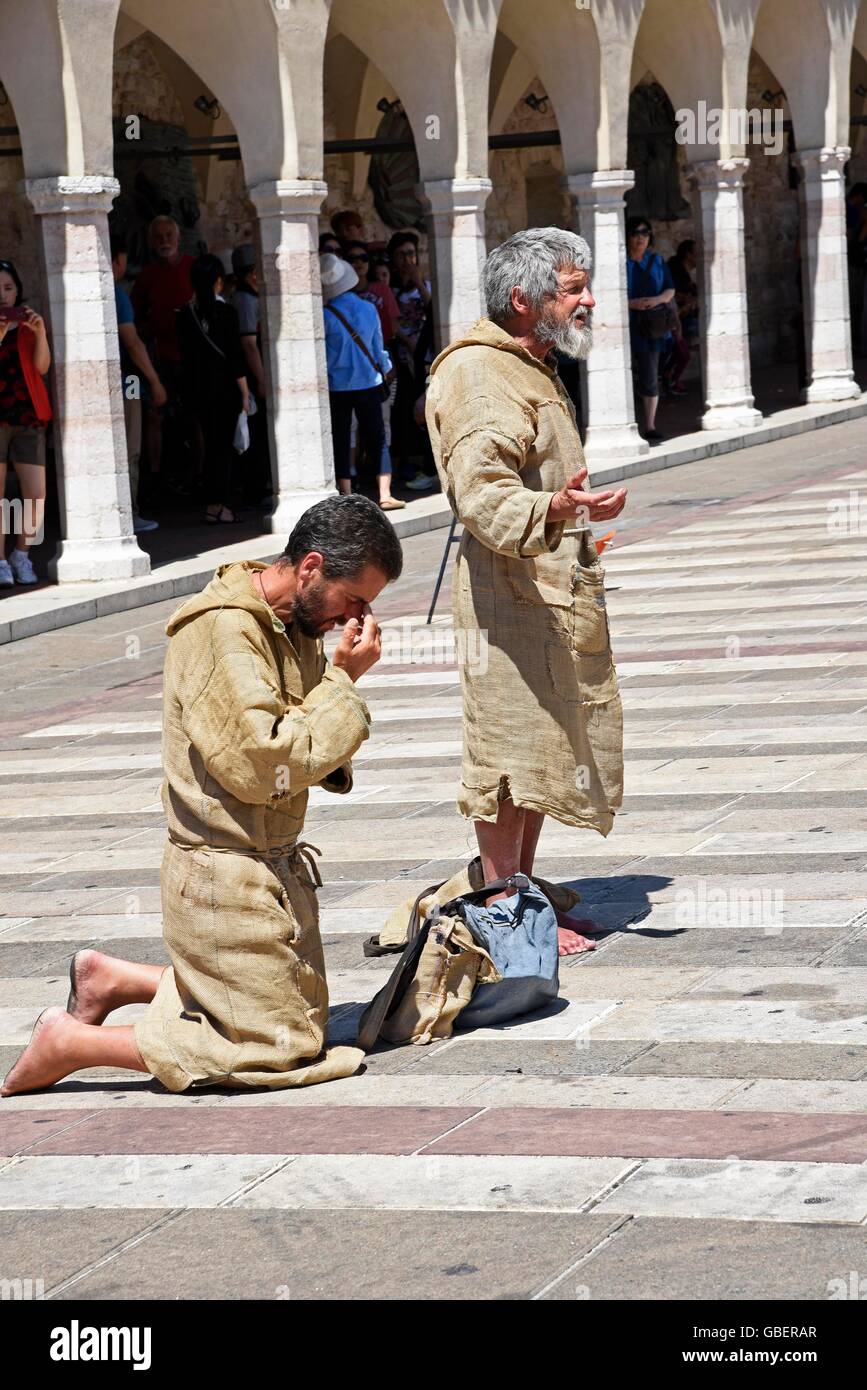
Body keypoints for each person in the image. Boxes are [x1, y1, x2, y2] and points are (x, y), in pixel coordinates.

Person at [1, 495, 403, 1098]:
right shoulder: (223, 630)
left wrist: (332, 685)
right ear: (311, 566)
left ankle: (112, 979)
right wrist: (343, 684)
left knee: (303, 1024)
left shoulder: (297, 621)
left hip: (270, 867)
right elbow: (262, 766)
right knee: (274, 1048)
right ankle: (73, 1042)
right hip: (221, 873)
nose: (359, 616)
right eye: (355, 599)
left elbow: (307, 740)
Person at [425, 227, 627, 956]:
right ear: (522, 299)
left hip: (550, 586)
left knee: (542, 748)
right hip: (506, 593)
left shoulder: (528, 364)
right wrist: (557, 510)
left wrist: (567, 513)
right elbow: (480, 497)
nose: (587, 299)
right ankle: (504, 910)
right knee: (507, 753)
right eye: (572, 288)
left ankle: (523, 895)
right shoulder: (480, 375)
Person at [321, 252, 404, 511]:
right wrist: (387, 369)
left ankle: (345, 491)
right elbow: (378, 348)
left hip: (337, 386)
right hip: (368, 381)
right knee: (377, 437)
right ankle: (385, 493)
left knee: (342, 437)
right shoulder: (368, 309)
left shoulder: (323, 315)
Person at [176, 254, 250, 525]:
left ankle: (212, 504)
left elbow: (185, 357)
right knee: (223, 450)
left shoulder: (184, 314)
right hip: (226, 391)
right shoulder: (227, 313)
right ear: (218, 281)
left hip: (197, 391)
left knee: (209, 447)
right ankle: (220, 506)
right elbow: (235, 357)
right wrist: (244, 392)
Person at [130, 216, 196, 487]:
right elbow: (134, 317)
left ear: (178, 239)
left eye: (169, 235)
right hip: (160, 358)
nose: (164, 241)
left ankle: (198, 475)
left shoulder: (193, 268)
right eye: (158, 237)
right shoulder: (147, 276)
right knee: (155, 415)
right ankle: (156, 476)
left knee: (195, 417)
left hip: (192, 357)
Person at [0, 258, 52, 587]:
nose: (3, 295)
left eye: (8, 288)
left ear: (17, 290)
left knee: (35, 495)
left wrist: (41, 333)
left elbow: (42, 368)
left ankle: (21, 554)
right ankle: (0, 561)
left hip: (27, 414)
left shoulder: (30, 322)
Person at [111, 233, 166, 534]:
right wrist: (155, 382)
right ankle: (129, 513)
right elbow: (132, 343)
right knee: (131, 445)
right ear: (118, 260)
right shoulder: (117, 293)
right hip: (127, 380)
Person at [387, 230, 435, 490]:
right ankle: (407, 462)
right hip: (403, 359)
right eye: (402, 254)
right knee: (404, 412)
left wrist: (418, 282)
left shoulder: (425, 286)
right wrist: (409, 345)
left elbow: (433, 311)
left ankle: (427, 466)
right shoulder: (390, 289)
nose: (407, 259)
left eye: (411, 253)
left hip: (425, 358)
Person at [625, 216, 676, 442]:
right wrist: (630, 304)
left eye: (645, 233)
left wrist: (656, 301)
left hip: (651, 327)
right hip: (625, 325)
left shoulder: (656, 261)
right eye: (636, 233)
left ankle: (650, 424)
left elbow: (670, 290)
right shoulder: (620, 262)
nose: (640, 238)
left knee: (649, 374)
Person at [231, 242, 272, 507]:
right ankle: (254, 489)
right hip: (251, 378)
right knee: (255, 435)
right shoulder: (245, 300)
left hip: (255, 376)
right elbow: (248, 343)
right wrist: (261, 379)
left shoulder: (251, 297)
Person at [661, 239, 698, 397]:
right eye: (696, 252)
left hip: (680, 320)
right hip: (674, 321)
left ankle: (670, 380)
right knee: (681, 353)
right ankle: (670, 381)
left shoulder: (683, 273)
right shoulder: (676, 273)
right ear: (688, 254)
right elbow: (672, 296)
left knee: (680, 353)